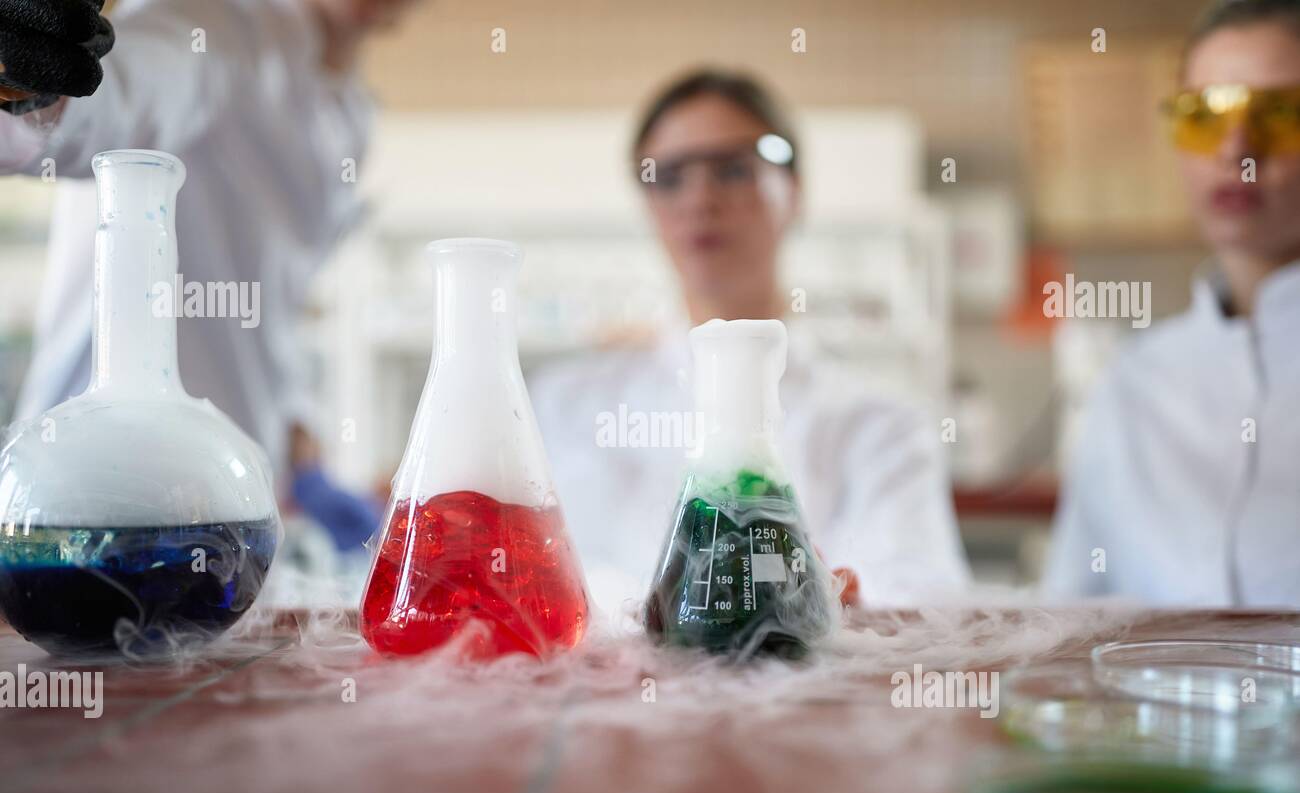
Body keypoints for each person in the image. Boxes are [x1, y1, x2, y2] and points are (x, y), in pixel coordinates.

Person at [529, 69, 970, 611]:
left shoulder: (880, 423)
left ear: (794, 190)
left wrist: (834, 605)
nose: (700, 199)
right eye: (668, 177)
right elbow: (537, 583)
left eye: (735, 169)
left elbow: (921, 595)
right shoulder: (563, 405)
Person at [0, 0, 421, 551]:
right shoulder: (214, 27)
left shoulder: (350, 110)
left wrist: (295, 435)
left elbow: (271, 300)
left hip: (229, 505)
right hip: (87, 505)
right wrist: (27, 82)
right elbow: (119, 94)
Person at [1044, 0, 1300, 605]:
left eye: (1279, 114)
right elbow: (1071, 619)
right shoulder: (1134, 382)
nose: (1236, 148)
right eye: (1204, 117)